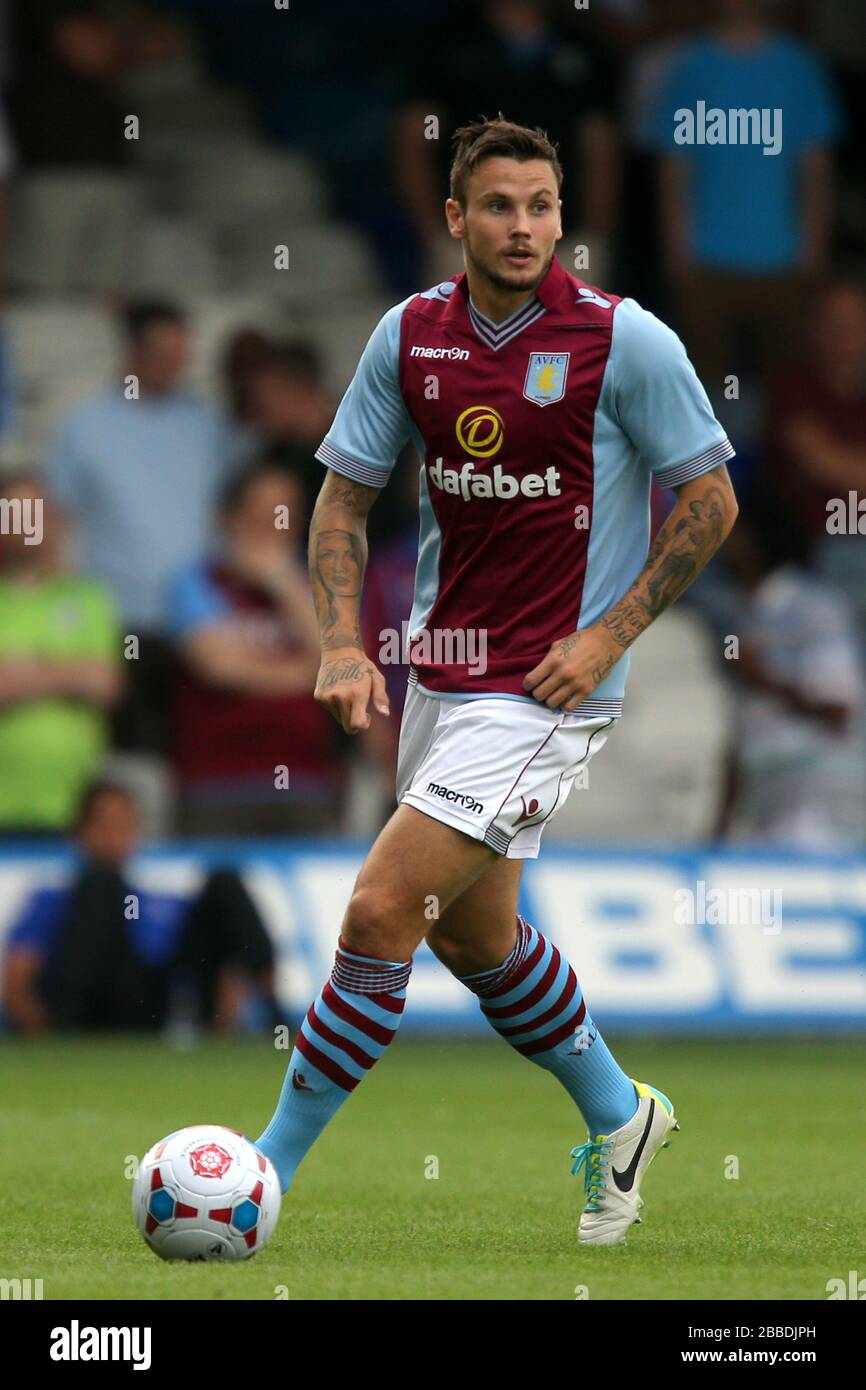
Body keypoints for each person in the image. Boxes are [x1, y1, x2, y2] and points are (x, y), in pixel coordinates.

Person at [252, 117, 738, 1247]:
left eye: (541, 206)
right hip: (438, 677)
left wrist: (607, 636)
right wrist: (337, 639)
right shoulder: (409, 335)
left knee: (380, 912)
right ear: (456, 218)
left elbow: (709, 501)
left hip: (546, 693)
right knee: (473, 941)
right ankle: (622, 1116)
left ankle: (262, 1175)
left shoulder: (626, 341)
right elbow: (340, 495)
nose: (523, 228)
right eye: (500, 207)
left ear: (562, 216)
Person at [47, 300, 233, 753]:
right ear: (132, 352)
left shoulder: (205, 426)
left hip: (198, 623)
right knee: (126, 755)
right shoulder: (86, 426)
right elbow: (53, 517)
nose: (176, 366)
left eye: (182, 355)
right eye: (164, 354)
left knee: (193, 750)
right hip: (119, 617)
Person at [651, 0, 843, 398]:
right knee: (703, 395)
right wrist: (676, 252)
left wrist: (814, 251)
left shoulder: (800, 68)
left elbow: (817, 171)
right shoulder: (689, 68)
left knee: (789, 392)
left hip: (785, 260)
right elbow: (674, 170)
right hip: (705, 258)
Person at [1, 781, 277, 1034]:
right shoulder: (53, 900)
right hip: (93, 1012)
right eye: (104, 825)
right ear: (80, 834)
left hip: (152, 1004)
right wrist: (43, 1034)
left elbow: (212, 960)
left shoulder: (160, 902)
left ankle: (278, 1021)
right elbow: (17, 984)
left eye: (123, 825)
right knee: (102, 884)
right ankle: (68, 1033)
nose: (113, 837)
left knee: (224, 882)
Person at [167, 462, 343, 836]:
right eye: (259, 516)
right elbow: (218, 667)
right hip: (217, 785)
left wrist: (280, 581)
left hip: (305, 782)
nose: (272, 529)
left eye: (283, 516)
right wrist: (304, 672)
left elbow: (336, 662)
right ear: (228, 518)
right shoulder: (196, 580)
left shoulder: (316, 582)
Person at [714, 496, 865, 848]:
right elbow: (742, 731)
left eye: (731, 531)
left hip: (818, 802)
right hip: (767, 801)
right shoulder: (743, 615)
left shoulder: (814, 607)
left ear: (756, 538)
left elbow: (838, 708)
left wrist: (763, 676)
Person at [0, 472, 120, 835]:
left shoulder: (88, 598)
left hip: (74, 808)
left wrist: (22, 672)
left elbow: (104, 682)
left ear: (54, 519)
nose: (27, 524)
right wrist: (68, 671)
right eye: (14, 513)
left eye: (35, 511)